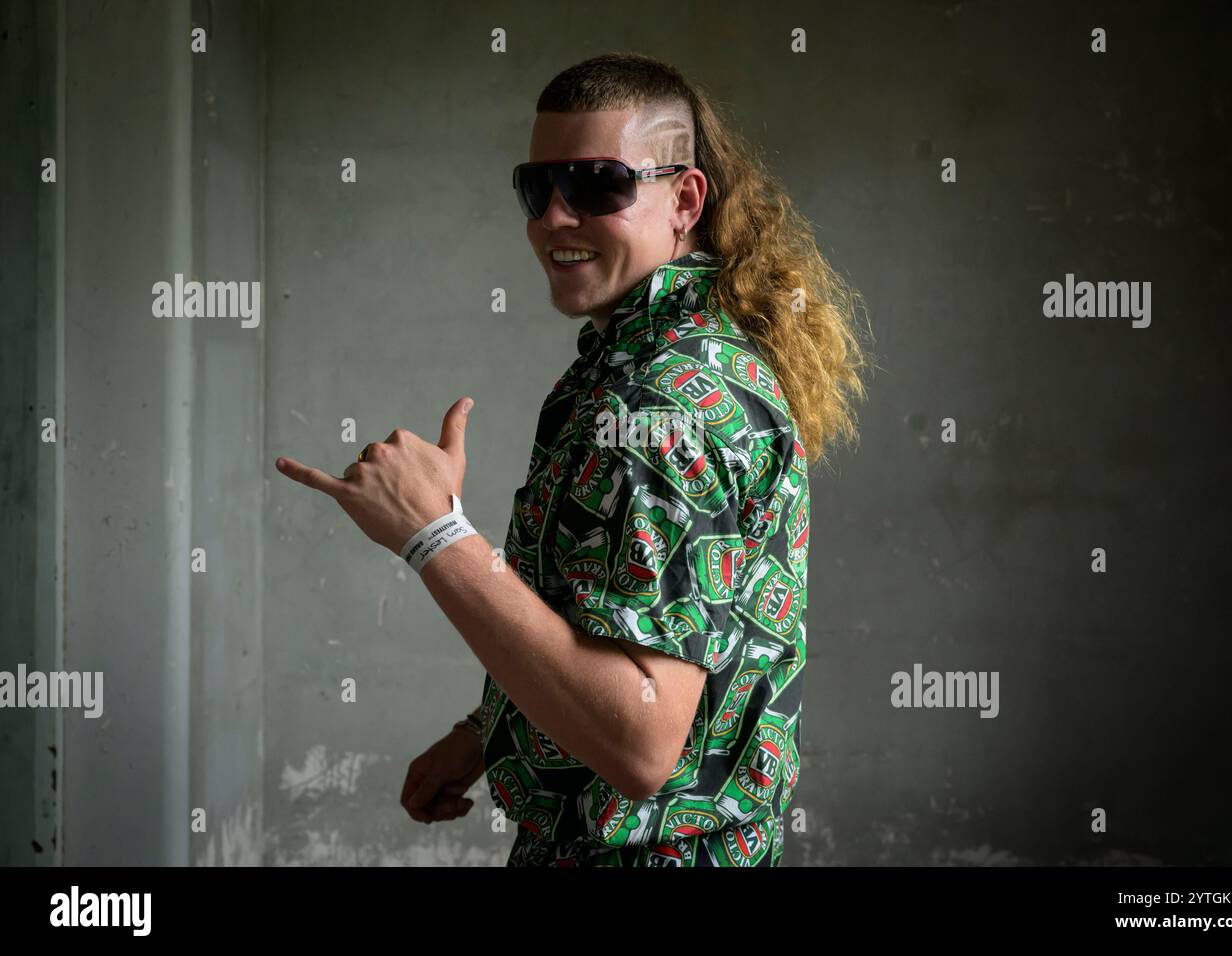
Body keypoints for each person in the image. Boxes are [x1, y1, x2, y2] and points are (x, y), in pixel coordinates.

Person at [276, 52, 873, 866]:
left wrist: (436, 538)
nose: (555, 218)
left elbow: (639, 745)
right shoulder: (642, 361)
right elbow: (617, 629)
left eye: (597, 185)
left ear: (684, 199)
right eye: (537, 189)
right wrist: (486, 735)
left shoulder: (660, 406)